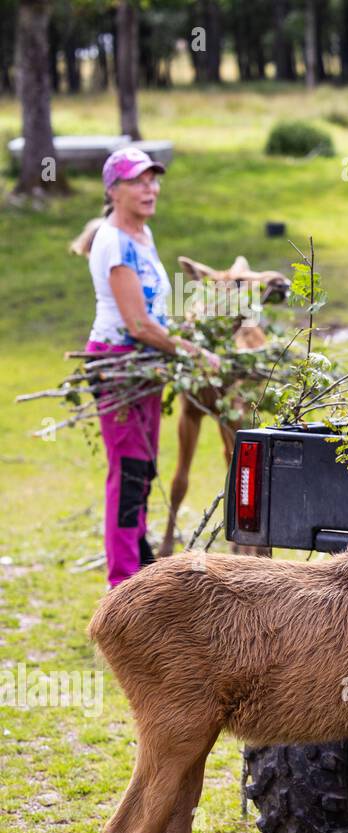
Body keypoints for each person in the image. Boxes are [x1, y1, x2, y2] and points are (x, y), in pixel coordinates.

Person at [71, 147, 219, 589]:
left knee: (144, 467)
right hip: (117, 366)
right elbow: (136, 323)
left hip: (145, 370)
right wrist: (191, 351)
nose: (150, 189)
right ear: (113, 190)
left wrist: (186, 328)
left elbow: (153, 309)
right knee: (129, 474)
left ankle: (140, 567)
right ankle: (121, 584)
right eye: (138, 181)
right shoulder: (113, 240)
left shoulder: (141, 234)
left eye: (153, 180)